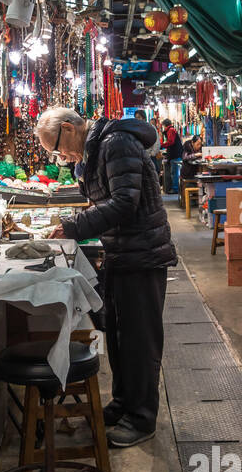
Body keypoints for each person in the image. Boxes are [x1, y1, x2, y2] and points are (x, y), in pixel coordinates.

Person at [36, 107, 176, 447]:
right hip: (121, 253)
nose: (60, 156)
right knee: (116, 335)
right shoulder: (97, 150)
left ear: (69, 128)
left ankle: (142, 419)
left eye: (56, 147)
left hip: (141, 255)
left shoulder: (116, 144)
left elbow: (125, 202)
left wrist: (74, 227)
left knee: (139, 342)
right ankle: (123, 403)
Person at [161, 119, 184, 194]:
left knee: (174, 173)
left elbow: (171, 141)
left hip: (175, 155)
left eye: (163, 126)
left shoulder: (170, 130)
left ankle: (175, 189)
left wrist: (162, 145)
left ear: (165, 125)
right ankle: (175, 188)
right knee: (174, 172)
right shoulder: (171, 130)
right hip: (175, 154)